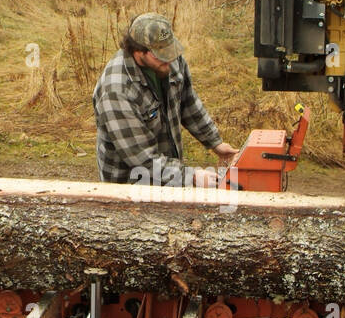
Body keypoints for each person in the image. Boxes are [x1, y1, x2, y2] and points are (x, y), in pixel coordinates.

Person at [93, 13, 238, 188]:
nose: (169, 58)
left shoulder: (170, 62)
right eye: (161, 54)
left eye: (170, 50)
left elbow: (188, 102)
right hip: (129, 187)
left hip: (168, 176)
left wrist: (215, 142)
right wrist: (191, 177)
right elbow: (143, 159)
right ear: (138, 51)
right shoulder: (116, 91)